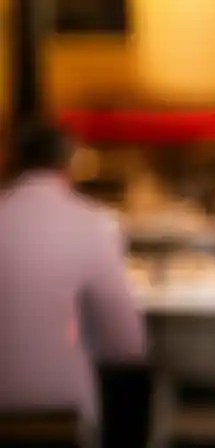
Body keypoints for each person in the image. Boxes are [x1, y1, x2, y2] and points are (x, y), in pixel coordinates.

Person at [0, 122, 146, 441]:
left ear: (10, 162)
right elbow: (124, 343)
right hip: (59, 408)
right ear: (69, 165)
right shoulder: (91, 223)